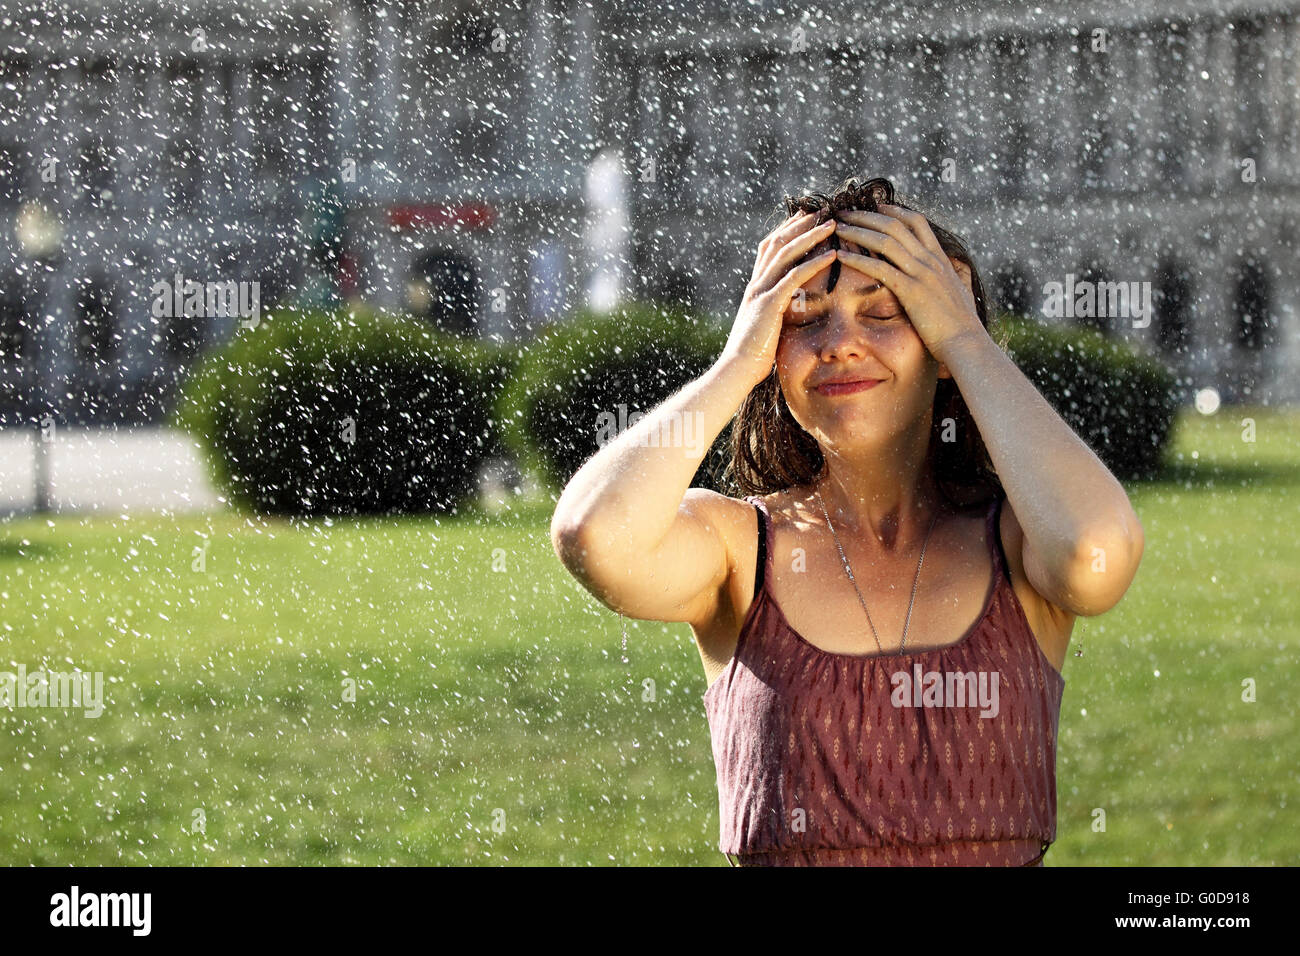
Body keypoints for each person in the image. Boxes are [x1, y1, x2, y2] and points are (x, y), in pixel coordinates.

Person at [550, 176, 1144, 866]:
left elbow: (1099, 550)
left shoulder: (1015, 546)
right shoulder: (740, 552)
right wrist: (737, 362)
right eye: (803, 318)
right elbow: (594, 534)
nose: (839, 343)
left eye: (885, 313)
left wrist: (964, 337)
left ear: (940, 346)